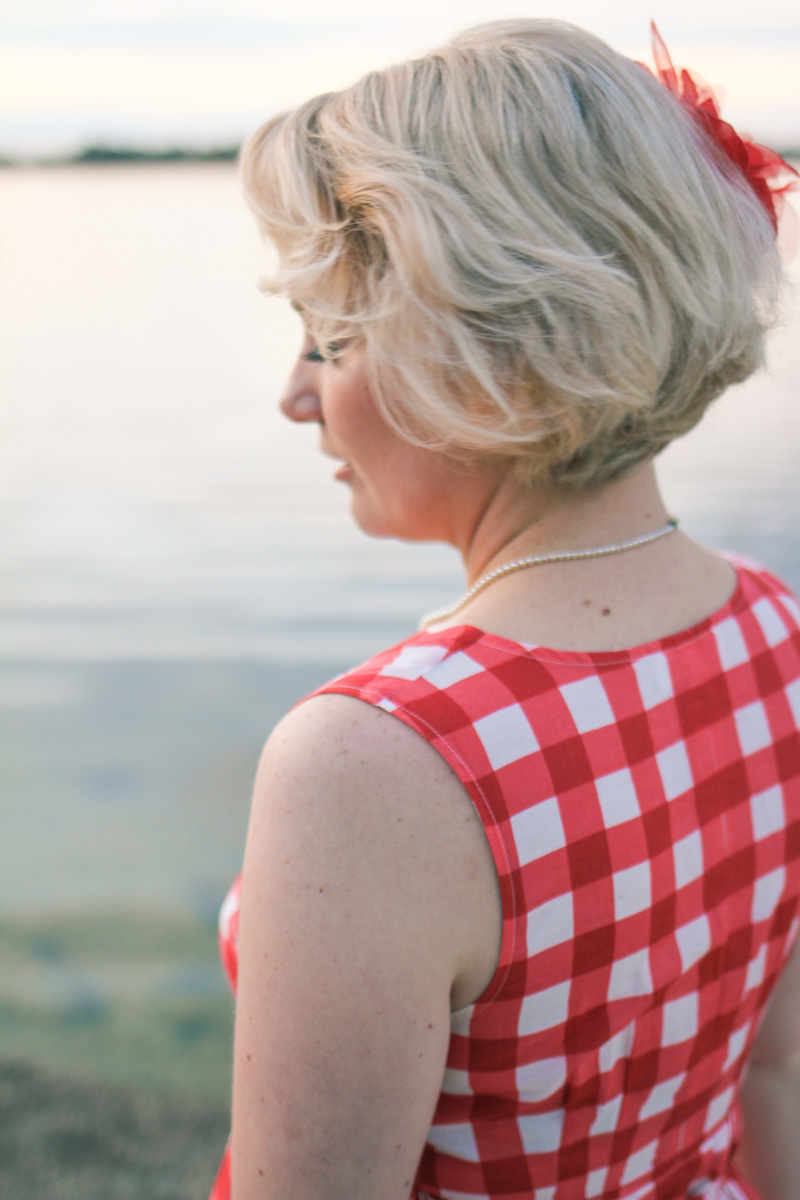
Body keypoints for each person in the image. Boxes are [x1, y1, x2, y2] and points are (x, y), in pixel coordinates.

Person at [210, 19, 800, 1200]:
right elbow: (774, 1079)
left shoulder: (378, 762)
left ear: (489, 349)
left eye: (329, 337)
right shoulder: (777, 633)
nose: (293, 396)